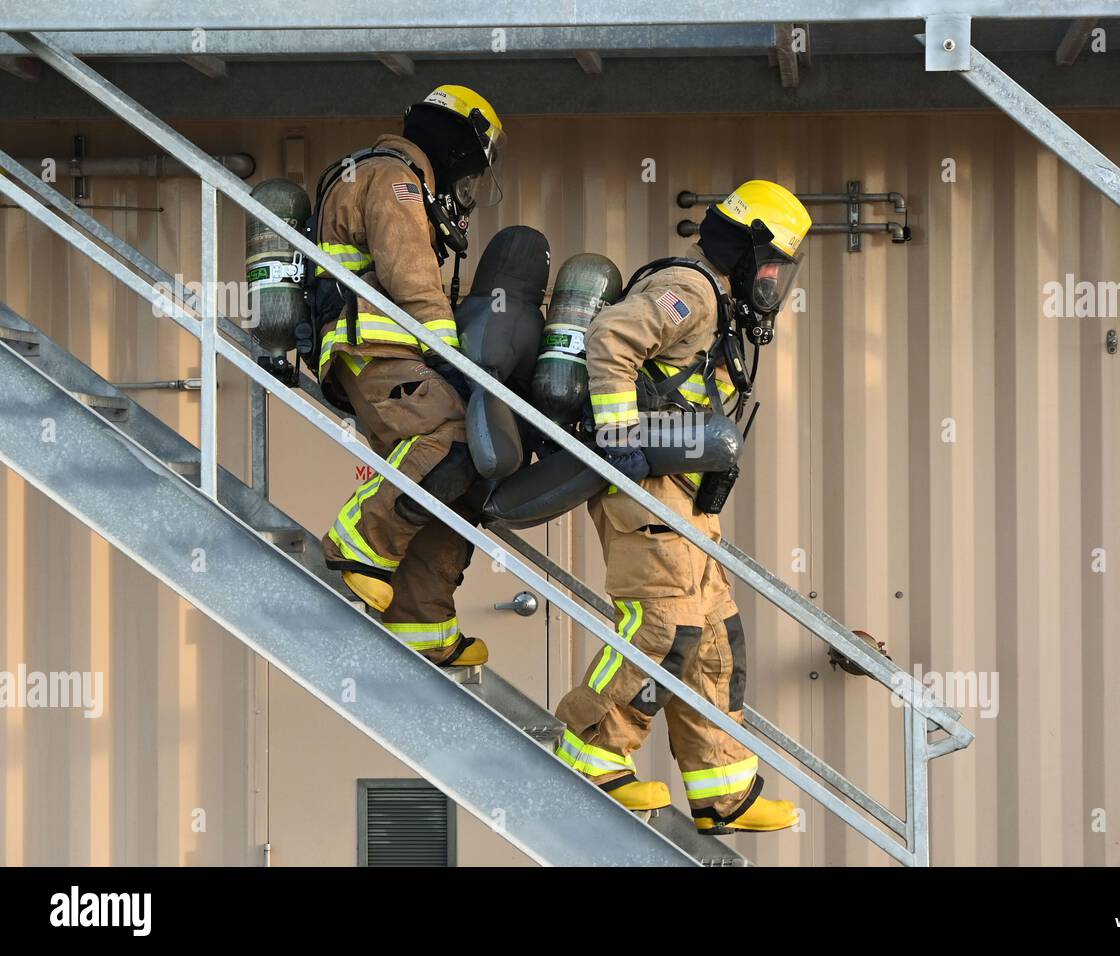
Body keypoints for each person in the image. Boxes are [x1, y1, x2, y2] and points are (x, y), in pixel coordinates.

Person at [554, 181, 812, 834]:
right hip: (646, 489)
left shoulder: (717, 306)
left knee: (714, 636)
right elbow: (611, 338)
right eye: (774, 262)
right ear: (749, 247)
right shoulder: (692, 289)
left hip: (685, 496)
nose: (774, 279)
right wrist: (618, 438)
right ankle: (588, 750)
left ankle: (723, 790)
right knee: (662, 627)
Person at [312, 85, 504, 668]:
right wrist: (453, 358)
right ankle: (359, 541)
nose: (467, 189)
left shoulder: (395, 177)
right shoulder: (395, 178)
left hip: (390, 354)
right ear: (454, 148)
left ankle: (423, 626)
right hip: (375, 351)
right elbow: (412, 276)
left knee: (462, 480)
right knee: (453, 443)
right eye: (471, 168)